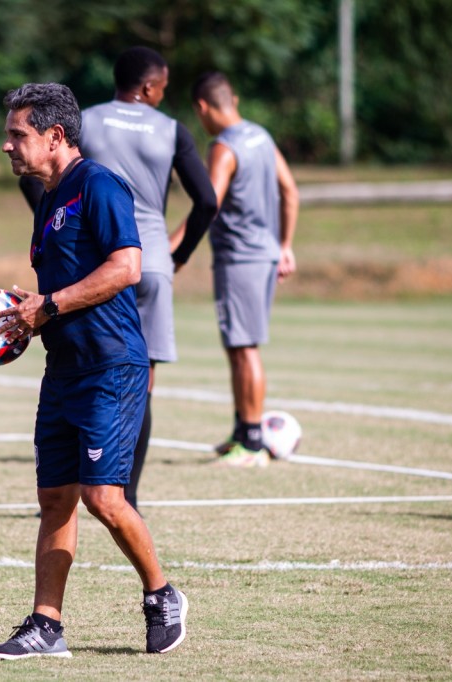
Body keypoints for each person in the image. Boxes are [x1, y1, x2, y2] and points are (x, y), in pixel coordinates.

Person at [0, 82, 187, 660]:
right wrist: (17, 323)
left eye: (17, 134)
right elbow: (59, 294)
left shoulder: (98, 184)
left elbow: (126, 268)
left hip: (110, 366)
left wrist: (49, 305)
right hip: (63, 369)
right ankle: (46, 627)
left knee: (103, 498)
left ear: (54, 136)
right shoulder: (48, 198)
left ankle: (162, 594)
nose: (7, 145)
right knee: (55, 499)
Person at [20, 47, 217, 509]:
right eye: (163, 88)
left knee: (100, 366)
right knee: (139, 383)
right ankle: (128, 494)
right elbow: (207, 201)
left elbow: (36, 176)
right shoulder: (171, 128)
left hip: (94, 261)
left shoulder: (84, 121)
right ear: (149, 87)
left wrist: (56, 230)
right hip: (151, 261)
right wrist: (179, 255)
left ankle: (105, 490)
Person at [170, 72, 299, 467]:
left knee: (244, 348)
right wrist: (285, 245)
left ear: (202, 108)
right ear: (234, 99)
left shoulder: (224, 147)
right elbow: (290, 190)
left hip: (240, 258)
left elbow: (208, 205)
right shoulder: (261, 136)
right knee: (238, 346)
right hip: (264, 254)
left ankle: (253, 443)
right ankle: (243, 431)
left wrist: (170, 247)